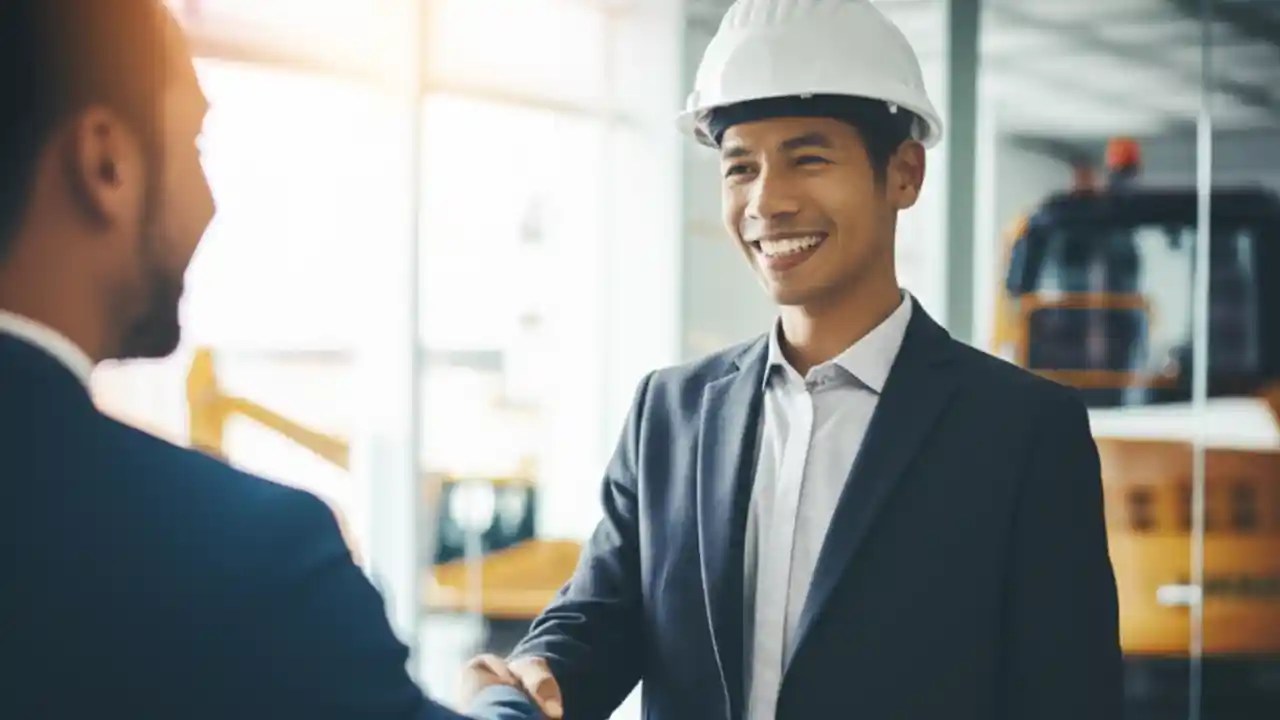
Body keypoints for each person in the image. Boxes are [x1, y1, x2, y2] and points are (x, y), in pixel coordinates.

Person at [462, 1, 1124, 718]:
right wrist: (534, 673)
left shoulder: (1021, 430)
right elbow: (600, 614)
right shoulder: (671, 412)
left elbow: (1068, 696)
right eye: (739, 167)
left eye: (808, 158)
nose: (766, 201)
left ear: (903, 174)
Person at [0, 2, 537, 718]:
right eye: (193, 144)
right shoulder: (238, 560)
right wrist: (504, 701)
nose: (211, 203)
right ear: (105, 163)